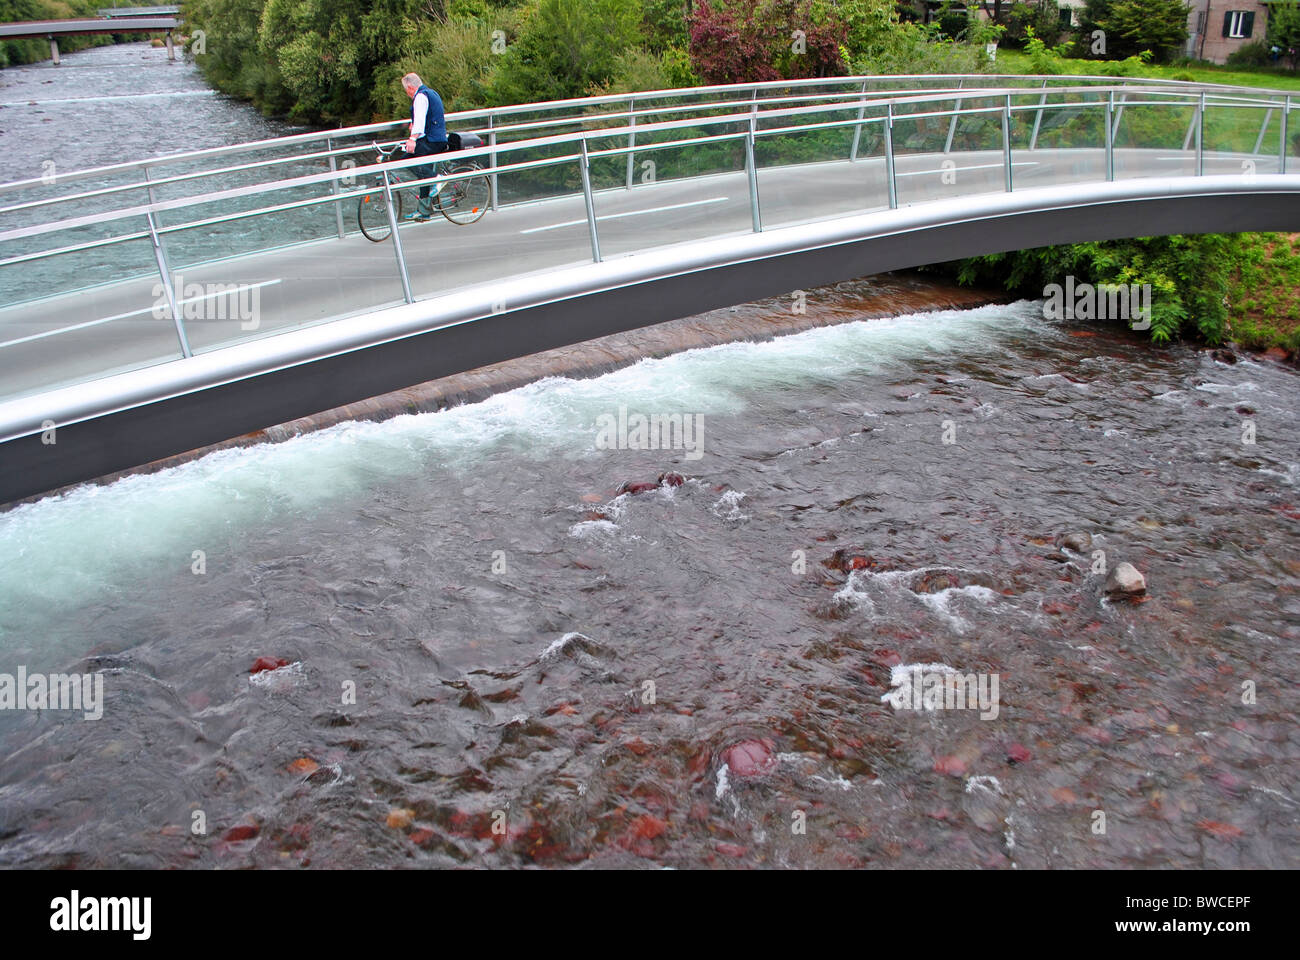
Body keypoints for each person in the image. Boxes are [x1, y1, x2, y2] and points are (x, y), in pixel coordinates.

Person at [393, 73, 449, 222]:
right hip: (437, 138)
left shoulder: (420, 97)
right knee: (422, 170)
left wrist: (412, 139)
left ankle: (438, 179)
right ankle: (424, 211)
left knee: (407, 160)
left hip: (432, 140)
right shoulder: (431, 93)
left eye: (407, 91)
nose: (408, 94)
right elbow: (426, 117)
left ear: (411, 87)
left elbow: (419, 121)